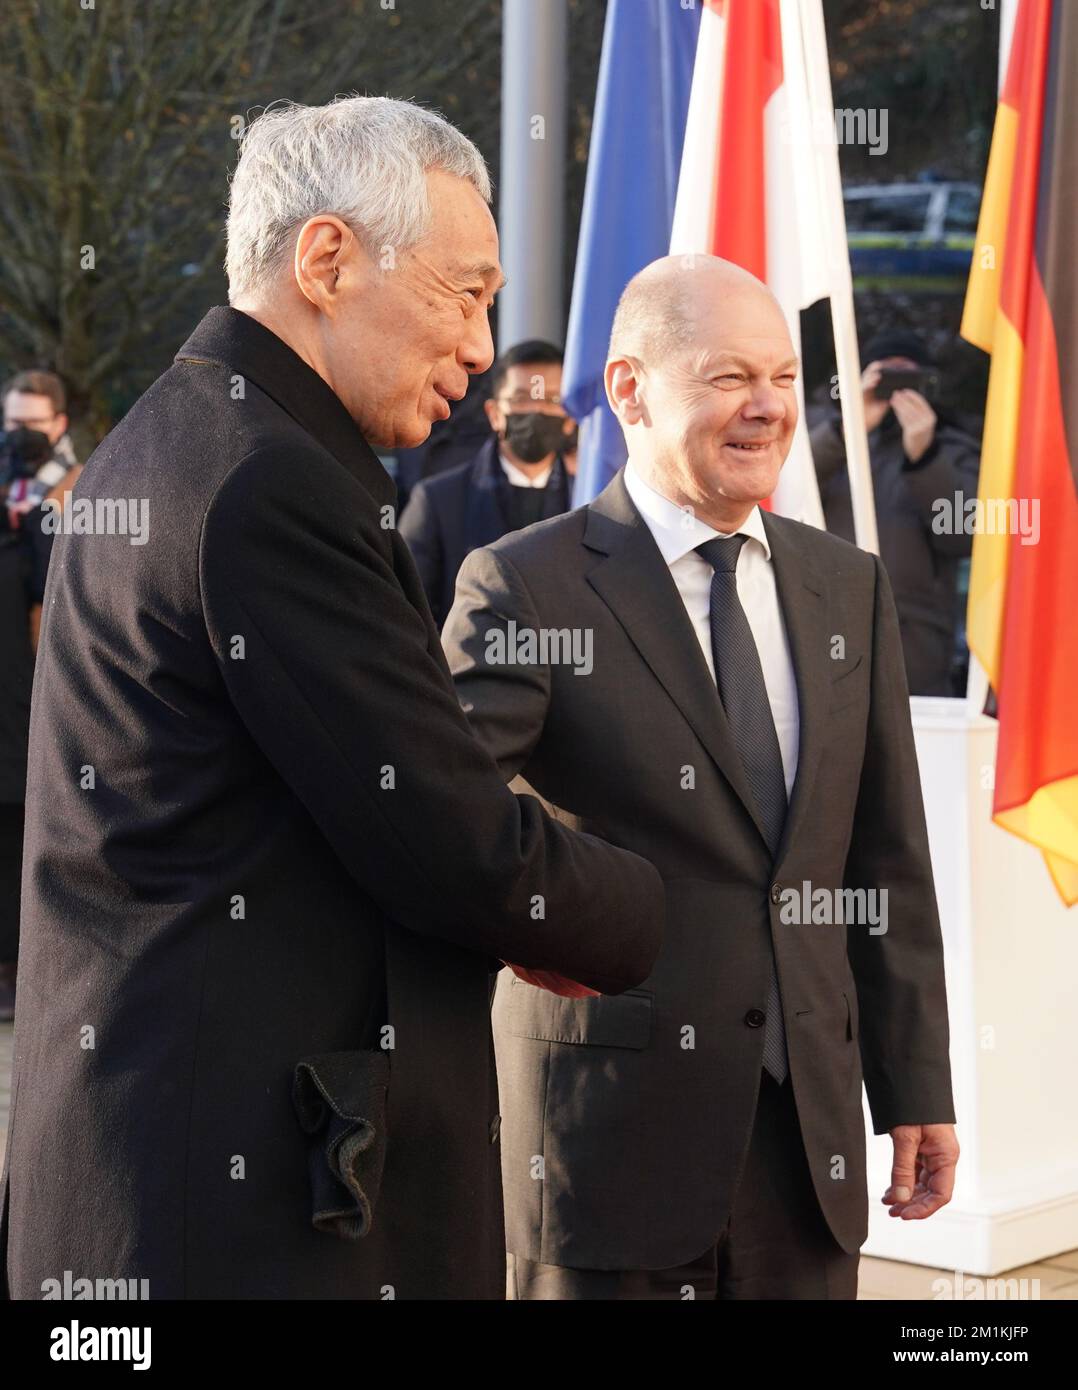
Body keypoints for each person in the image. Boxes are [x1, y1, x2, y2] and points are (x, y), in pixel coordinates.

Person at [0, 96, 664, 1302]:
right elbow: (450, 838)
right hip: (241, 1214)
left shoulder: (184, 438)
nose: (480, 346)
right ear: (326, 258)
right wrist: (641, 904)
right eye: (464, 293)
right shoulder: (268, 486)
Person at [442, 256, 959, 1300]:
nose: (766, 407)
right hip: (602, 1145)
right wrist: (534, 927)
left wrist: (917, 1085)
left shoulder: (842, 586)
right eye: (728, 377)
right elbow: (443, 821)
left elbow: (885, 858)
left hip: (805, 1146)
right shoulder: (523, 583)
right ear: (629, 389)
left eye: (779, 376)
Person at [809, 330, 981, 696]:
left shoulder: (954, 448)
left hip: (915, 644)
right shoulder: (834, 437)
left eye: (909, 378)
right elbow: (785, 486)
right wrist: (850, 426)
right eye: (887, 378)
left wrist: (926, 457)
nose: (897, 390)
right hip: (826, 631)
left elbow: (963, 536)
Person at [0, 372, 82, 1019]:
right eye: (12, 425)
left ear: (58, 425)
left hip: (53, 695)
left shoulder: (80, 489)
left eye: (31, 425)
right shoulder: (9, 493)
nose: (19, 437)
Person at [399, 340, 574, 626]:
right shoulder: (438, 501)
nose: (536, 411)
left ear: (569, 418)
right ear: (494, 414)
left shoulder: (592, 498)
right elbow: (408, 612)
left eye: (551, 400)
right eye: (521, 398)